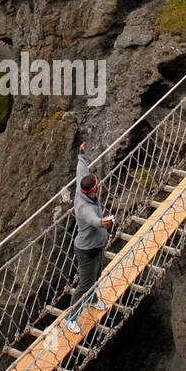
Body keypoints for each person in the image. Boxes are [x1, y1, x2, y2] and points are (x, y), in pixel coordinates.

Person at [65, 141, 114, 335]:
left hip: (97, 244)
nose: (97, 182)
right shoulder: (84, 208)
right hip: (86, 249)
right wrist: (103, 223)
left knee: (98, 273)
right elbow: (93, 220)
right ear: (92, 190)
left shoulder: (81, 186)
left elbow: (81, 171)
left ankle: (92, 300)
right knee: (84, 284)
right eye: (96, 183)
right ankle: (71, 317)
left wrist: (82, 153)